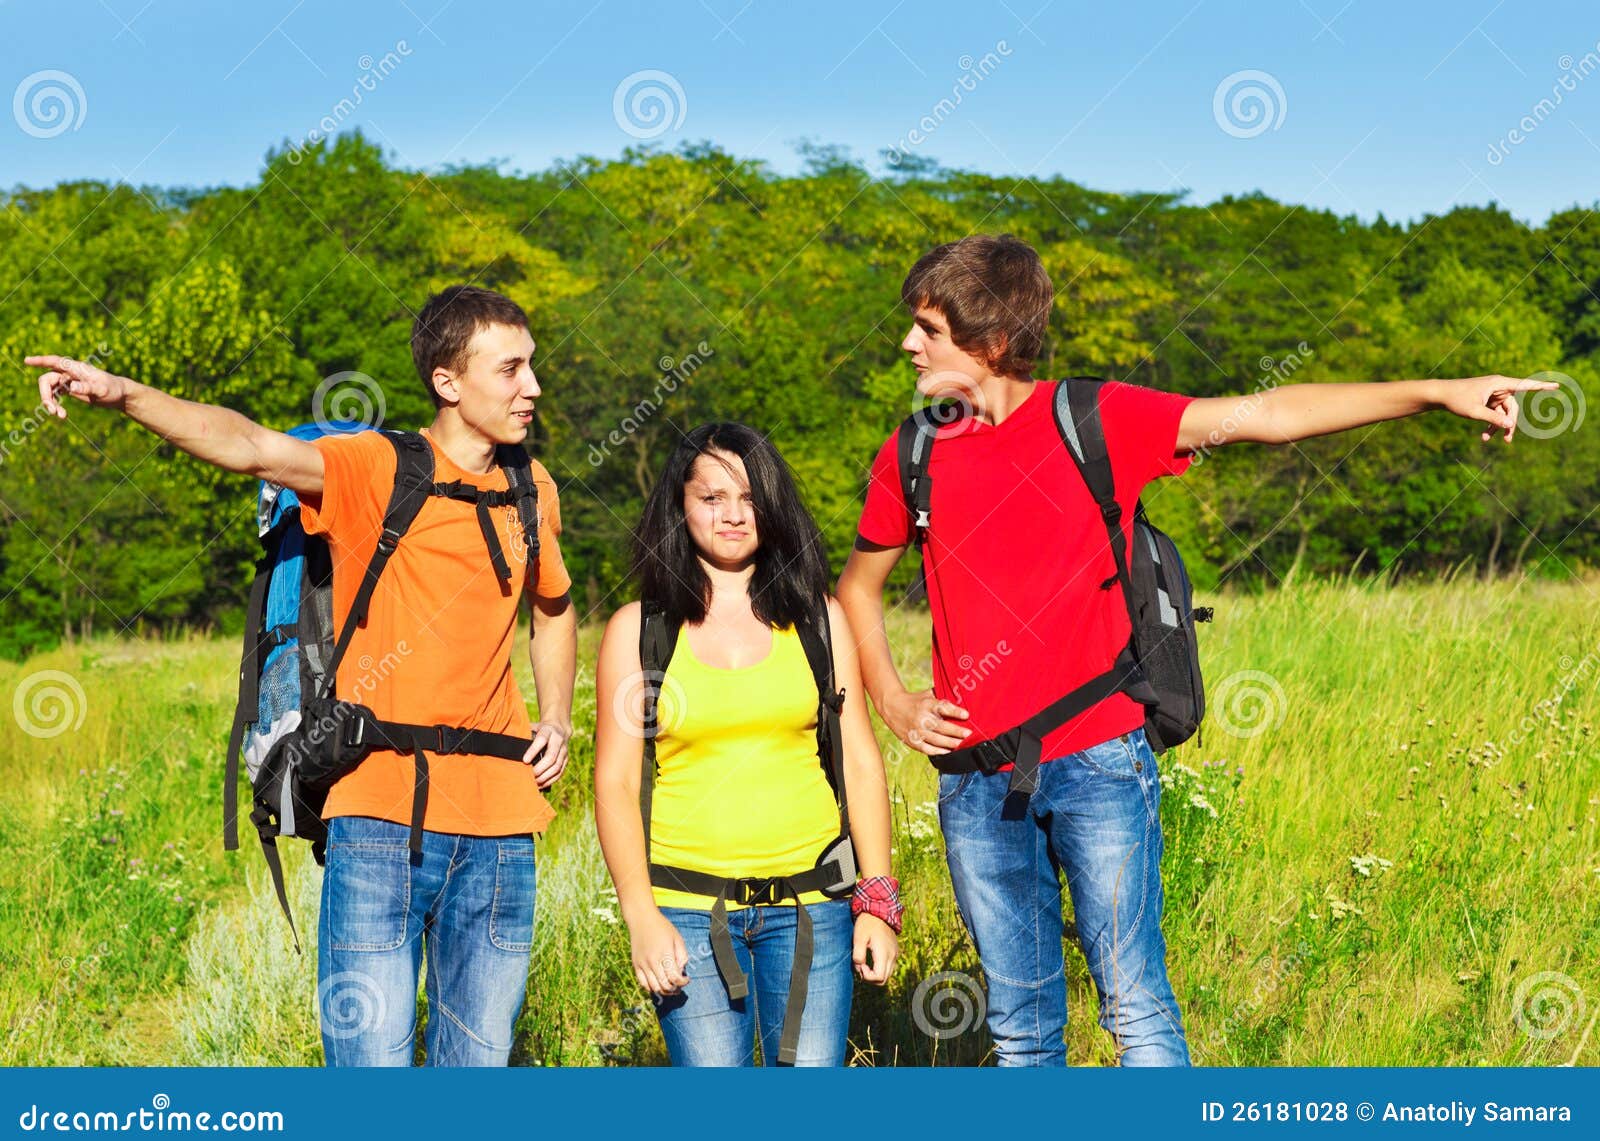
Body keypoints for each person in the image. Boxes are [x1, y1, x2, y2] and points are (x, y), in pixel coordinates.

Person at [835, 233, 1555, 1067]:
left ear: (992, 340)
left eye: (928, 328)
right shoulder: (912, 450)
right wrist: (892, 699)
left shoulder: (1094, 417)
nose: (907, 345)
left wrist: (1439, 391)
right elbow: (857, 588)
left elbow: (1269, 415)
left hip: (1098, 757)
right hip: (972, 783)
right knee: (1020, 1033)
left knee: (1135, 1010)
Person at [27, 284, 578, 1066]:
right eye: (512, 369)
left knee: (478, 1079)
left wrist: (555, 714)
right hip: (379, 820)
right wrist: (122, 395)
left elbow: (552, 607)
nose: (534, 386)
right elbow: (248, 444)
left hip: (502, 829)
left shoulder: (534, 488)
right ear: (448, 382)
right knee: (369, 1076)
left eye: (533, 367)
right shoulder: (376, 468)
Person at [593, 422, 900, 1066]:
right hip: (687, 912)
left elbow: (862, 765)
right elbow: (616, 784)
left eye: (750, 498)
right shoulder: (638, 630)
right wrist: (641, 916)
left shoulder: (820, 618)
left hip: (814, 907)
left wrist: (877, 900)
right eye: (711, 498)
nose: (733, 515)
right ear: (679, 506)